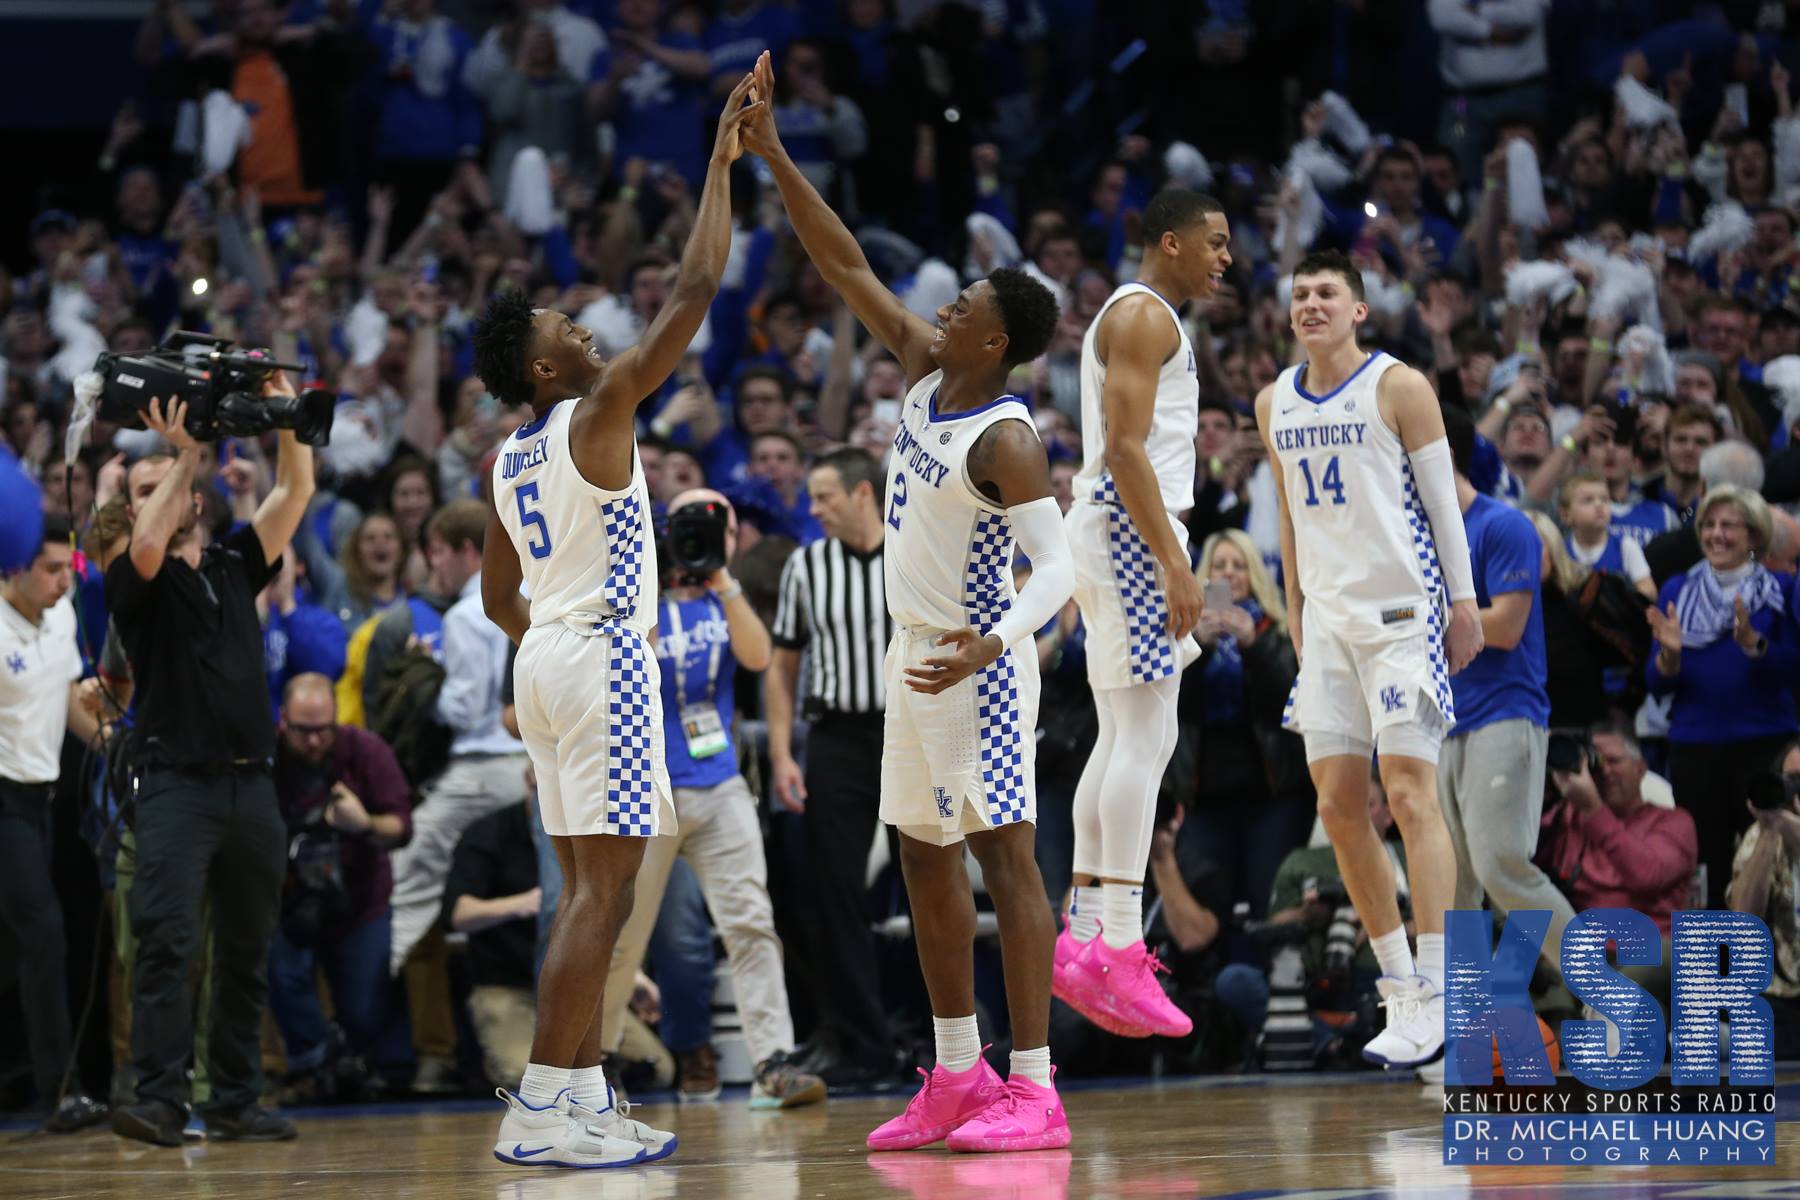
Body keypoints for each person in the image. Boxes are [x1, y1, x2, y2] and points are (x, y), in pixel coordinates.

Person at [746, 50, 1075, 1153]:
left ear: (995, 340)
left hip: (981, 666)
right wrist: (774, 154)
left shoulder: (1009, 439)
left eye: (964, 302)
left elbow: (1060, 570)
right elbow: (842, 261)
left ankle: (1035, 1087)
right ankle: (957, 1073)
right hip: (913, 658)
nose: (942, 304)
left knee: (1005, 864)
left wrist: (995, 643)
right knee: (926, 856)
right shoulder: (928, 371)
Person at [473, 70, 761, 1170]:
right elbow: (696, 284)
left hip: (546, 658)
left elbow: (497, 598)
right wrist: (719, 166)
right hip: (602, 657)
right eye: (568, 328)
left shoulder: (508, 457)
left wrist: (551, 645)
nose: (591, 333)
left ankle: (583, 1094)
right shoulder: (595, 410)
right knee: (605, 892)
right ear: (547, 367)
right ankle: (543, 1107)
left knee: (588, 890)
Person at [1254, 248, 1483, 1070]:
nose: (1310, 304)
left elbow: (1442, 504)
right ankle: (1402, 991)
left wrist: (1463, 601)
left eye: (1327, 293)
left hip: (1401, 618)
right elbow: (1288, 519)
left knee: (1411, 793)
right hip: (1328, 627)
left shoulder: (1400, 385)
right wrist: (1296, 617)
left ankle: (1441, 981)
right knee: (1339, 805)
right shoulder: (1272, 401)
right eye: (1300, 295)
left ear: (1358, 309)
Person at [106, 378, 315, 1146]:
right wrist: (187, 450)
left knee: (247, 948)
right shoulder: (134, 577)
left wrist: (289, 415)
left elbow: (295, 490)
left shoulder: (233, 563)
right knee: (168, 942)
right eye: (145, 489)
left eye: (169, 483)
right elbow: (149, 545)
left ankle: (233, 1097)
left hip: (252, 785)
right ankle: (161, 1099)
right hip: (176, 785)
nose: (161, 494)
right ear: (133, 509)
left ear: (196, 499)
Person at [1056, 187, 1233, 1042]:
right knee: (1146, 736)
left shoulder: (1143, 317)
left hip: (1120, 529)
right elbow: (1125, 450)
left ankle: (1087, 933)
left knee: (1126, 734)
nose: (1225, 258)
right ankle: (1120, 945)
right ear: (1171, 242)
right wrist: (1172, 561)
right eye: (1215, 241)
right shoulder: (1142, 315)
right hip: (1132, 531)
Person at [595, 488, 825, 1111]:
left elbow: (758, 656)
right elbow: (621, 665)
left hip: (720, 783)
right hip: (647, 786)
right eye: (689, 523)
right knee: (623, 935)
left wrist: (721, 577)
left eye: (717, 524)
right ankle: (599, 1063)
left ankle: (772, 1062)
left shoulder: (726, 599)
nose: (703, 534)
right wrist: (649, 576)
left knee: (751, 923)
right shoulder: (636, 595)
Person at [766, 447, 895, 1088]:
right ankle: (861, 1046)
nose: (813, 509)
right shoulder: (806, 565)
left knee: (929, 885)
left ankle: (945, 1039)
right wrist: (782, 752)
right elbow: (782, 666)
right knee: (833, 895)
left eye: (824, 496)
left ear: (862, 493)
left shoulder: (911, 553)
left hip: (908, 733)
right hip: (836, 738)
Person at [1434, 407, 1574, 981]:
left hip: (1504, 713)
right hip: (1439, 720)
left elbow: (1507, 626)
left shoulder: (1504, 525)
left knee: (1502, 868)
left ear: (1439, 454)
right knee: (1452, 887)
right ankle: (1462, 1020)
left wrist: (1411, 617)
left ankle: (1608, 997)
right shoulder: (1412, 536)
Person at [0, 515, 109, 1132]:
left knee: (15, 944)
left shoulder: (64, 616)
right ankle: (60, 1090)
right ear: (14, 568)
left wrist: (112, 745)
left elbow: (67, 700)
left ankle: (24, 1076)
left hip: (42, 798)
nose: (64, 581)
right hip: (2, 798)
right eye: (50, 569)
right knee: (43, 933)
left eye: (70, 567)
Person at [1645, 485, 1798, 907]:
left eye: (1729, 525)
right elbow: (1655, 683)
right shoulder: (1677, 589)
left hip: (1764, 745)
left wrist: (1754, 645)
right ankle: (1707, 953)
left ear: (1754, 535)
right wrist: (1670, 657)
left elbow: (1793, 669)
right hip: (1695, 747)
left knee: (1765, 862)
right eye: (1708, 525)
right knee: (1703, 867)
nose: (1716, 534)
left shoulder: (1781, 590)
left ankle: (1771, 951)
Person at [268, 674, 412, 1100]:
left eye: (323, 730)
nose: (314, 742)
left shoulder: (366, 750)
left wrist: (364, 824)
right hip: (288, 901)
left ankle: (352, 1063)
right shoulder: (267, 758)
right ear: (283, 720)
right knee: (281, 971)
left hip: (359, 901)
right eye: (302, 731)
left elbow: (402, 828)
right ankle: (312, 1065)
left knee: (364, 1011)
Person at [1178, 529, 1311, 919]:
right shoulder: (1182, 636)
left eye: (1239, 565)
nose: (1229, 573)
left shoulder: (1279, 629)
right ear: (1205, 575)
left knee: (1268, 906)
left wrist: (1255, 644)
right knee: (1210, 911)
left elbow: (1291, 701)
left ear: (1254, 574)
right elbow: (1173, 708)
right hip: (1204, 799)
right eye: (1219, 565)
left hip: (1273, 798)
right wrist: (1197, 650)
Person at [1536, 722, 1698, 1005]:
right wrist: (1544, 784)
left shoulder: (1673, 822)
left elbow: (1647, 876)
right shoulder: (1568, 817)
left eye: (1614, 761)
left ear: (1641, 768)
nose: (1605, 771)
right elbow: (1520, 864)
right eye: (1596, 762)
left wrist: (1593, 810)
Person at [1726, 740, 1800, 1059]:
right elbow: (1743, 921)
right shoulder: (1765, 831)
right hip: (1783, 997)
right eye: (1792, 779)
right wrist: (1770, 832)